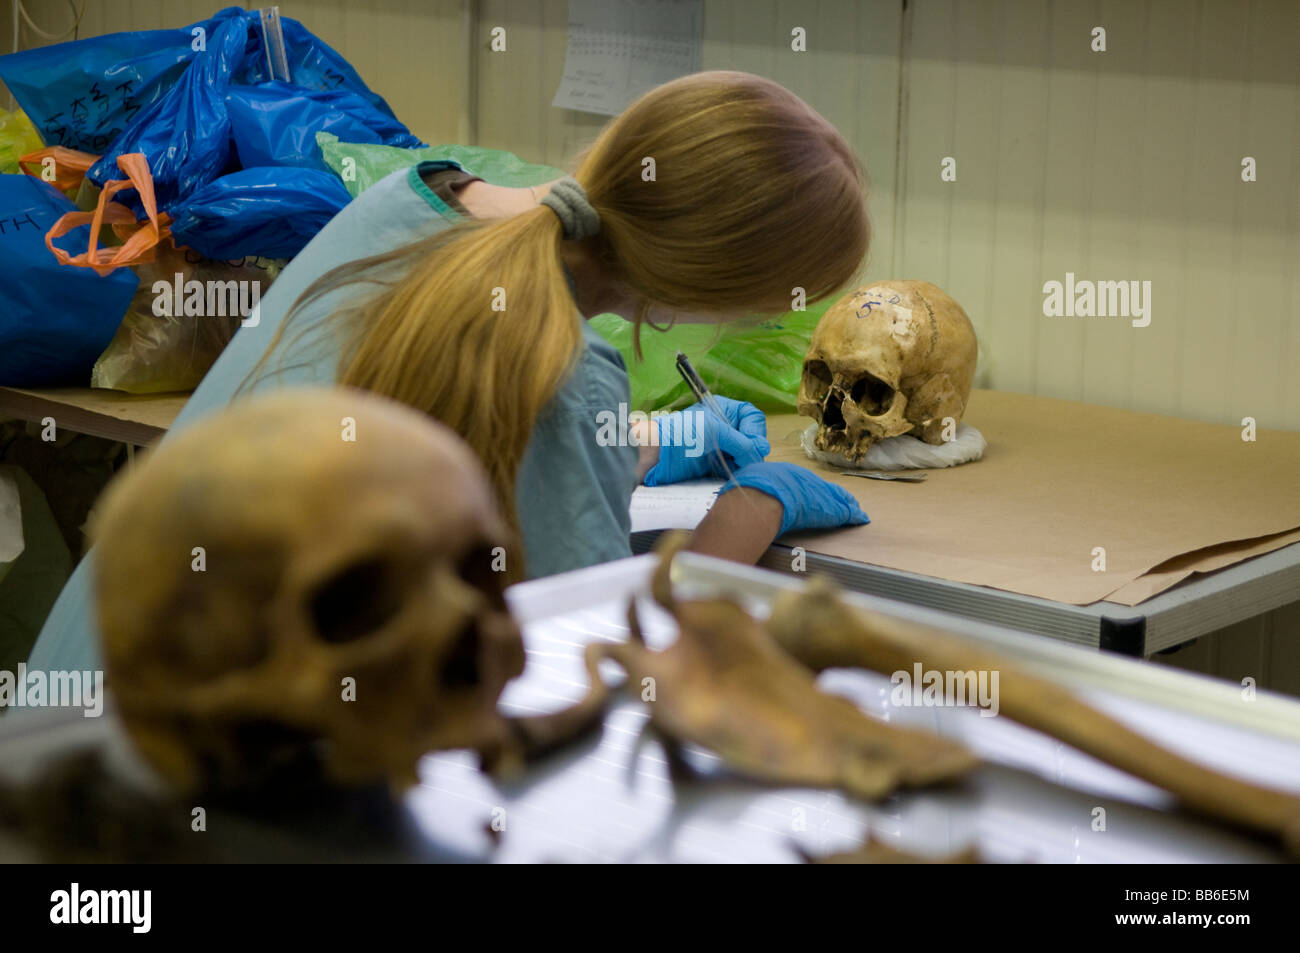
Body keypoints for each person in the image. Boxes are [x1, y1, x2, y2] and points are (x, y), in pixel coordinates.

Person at [28, 70, 870, 673]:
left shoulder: (409, 200)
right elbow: (601, 669)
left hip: (83, 695)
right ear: (715, 294)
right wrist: (750, 513)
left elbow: (408, 412)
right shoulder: (562, 371)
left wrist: (632, 443)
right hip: (190, 786)